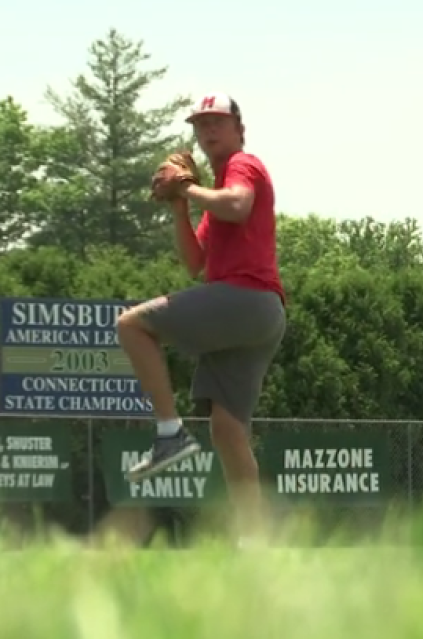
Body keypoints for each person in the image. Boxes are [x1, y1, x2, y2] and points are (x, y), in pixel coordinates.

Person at [115, 92, 286, 544]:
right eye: (200, 124)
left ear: (238, 129)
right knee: (228, 432)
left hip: (246, 300)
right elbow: (194, 263)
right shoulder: (216, 190)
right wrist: (179, 206)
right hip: (259, 316)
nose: (208, 130)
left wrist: (187, 188)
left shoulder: (242, 165)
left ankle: (169, 434)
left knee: (131, 325)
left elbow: (238, 204)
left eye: (217, 122)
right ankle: (255, 540)